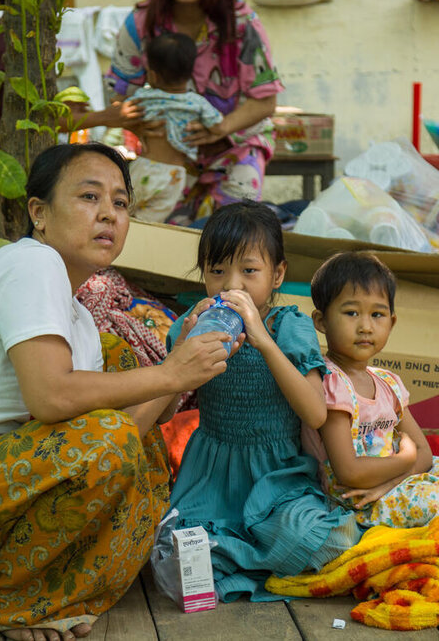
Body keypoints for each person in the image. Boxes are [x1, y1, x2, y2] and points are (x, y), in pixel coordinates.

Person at [0, 143, 235, 641]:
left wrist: (183, 363)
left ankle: (39, 592)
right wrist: (170, 374)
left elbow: (123, 440)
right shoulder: (30, 263)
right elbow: (53, 399)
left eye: (121, 203)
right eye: (89, 196)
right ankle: (3, 601)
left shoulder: (78, 317)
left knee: (123, 397)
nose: (108, 213)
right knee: (110, 419)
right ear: (38, 213)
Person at [165, 201, 361, 601]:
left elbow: (315, 411)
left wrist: (263, 340)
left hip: (278, 477)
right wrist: (182, 349)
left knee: (323, 538)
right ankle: (243, 561)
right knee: (174, 552)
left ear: (278, 275)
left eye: (249, 271)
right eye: (217, 271)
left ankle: (248, 558)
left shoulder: (288, 325)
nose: (231, 286)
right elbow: (166, 410)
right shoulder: (194, 324)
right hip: (212, 473)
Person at [304, 251, 439, 527]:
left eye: (377, 314)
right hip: (358, 499)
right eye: (351, 313)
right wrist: (406, 459)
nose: (366, 327)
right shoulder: (332, 383)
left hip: (393, 481)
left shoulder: (387, 382)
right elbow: (350, 472)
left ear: (391, 322)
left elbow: (425, 452)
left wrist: (396, 477)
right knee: (435, 503)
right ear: (321, 321)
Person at [91, 0, 283, 224]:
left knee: (234, 231)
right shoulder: (139, 24)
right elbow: (120, 100)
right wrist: (138, 125)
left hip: (237, 148)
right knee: (162, 241)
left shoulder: (242, 23)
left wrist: (221, 128)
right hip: (169, 162)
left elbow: (265, 101)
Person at [127, 31, 224, 222]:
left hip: (141, 168)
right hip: (173, 176)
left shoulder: (143, 98)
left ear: (152, 75)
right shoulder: (198, 103)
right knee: (145, 226)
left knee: (119, 213)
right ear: (190, 74)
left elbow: (122, 114)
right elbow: (219, 127)